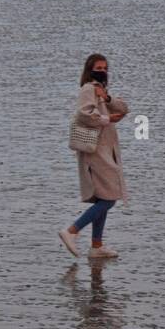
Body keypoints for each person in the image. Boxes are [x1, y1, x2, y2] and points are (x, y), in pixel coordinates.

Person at [60, 55, 129, 261]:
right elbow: (83, 114)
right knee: (109, 197)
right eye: (99, 67)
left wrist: (107, 99)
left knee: (103, 197)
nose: (103, 71)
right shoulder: (88, 89)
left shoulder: (100, 90)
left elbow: (125, 108)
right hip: (95, 150)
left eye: (105, 68)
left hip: (105, 149)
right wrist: (107, 119)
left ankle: (96, 246)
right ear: (89, 69)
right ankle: (72, 230)